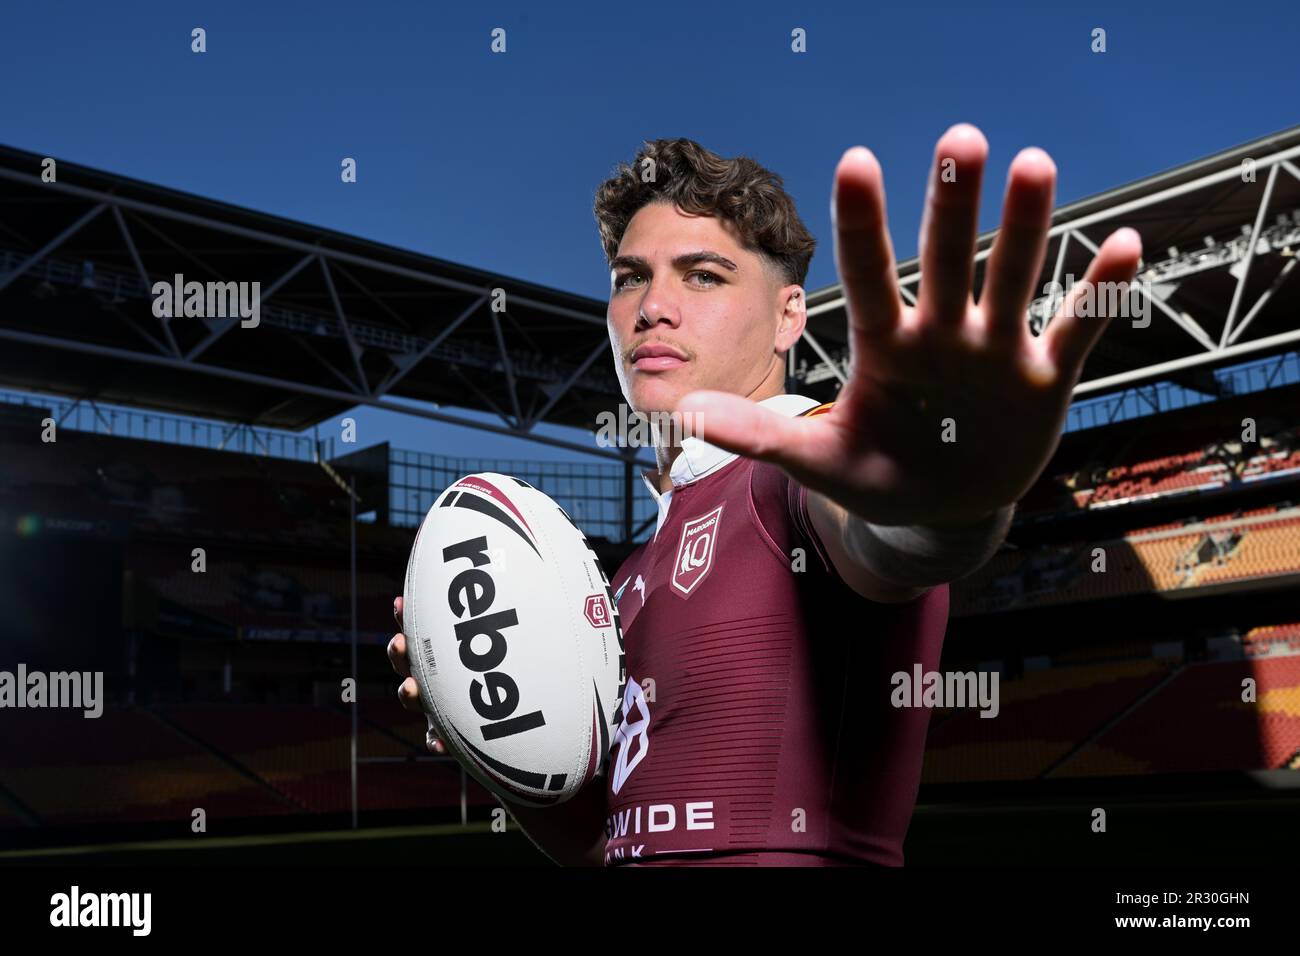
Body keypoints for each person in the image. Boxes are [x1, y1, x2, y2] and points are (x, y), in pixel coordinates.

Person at [388, 126, 1142, 865]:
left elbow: (895, 540)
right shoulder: (618, 587)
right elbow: (606, 845)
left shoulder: (803, 475)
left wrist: (950, 496)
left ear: (789, 317)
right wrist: (498, 759)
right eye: (630, 277)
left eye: (704, 275)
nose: (653, 306)